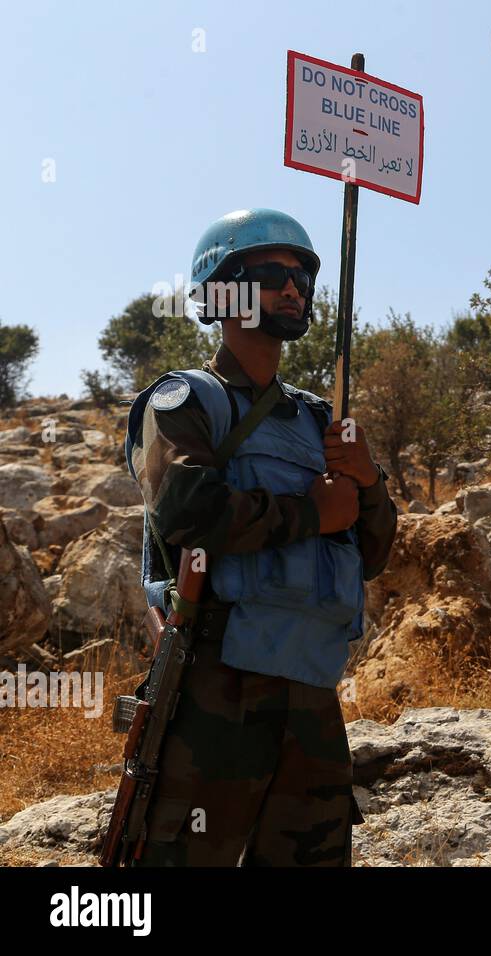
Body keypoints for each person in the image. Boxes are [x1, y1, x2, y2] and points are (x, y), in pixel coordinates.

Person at [121, 208, 397, 865]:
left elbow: (373, 554)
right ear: (222, 291)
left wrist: (369, 481)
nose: (294, 288)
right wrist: (310, 514)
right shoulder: (184, 403)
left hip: (312, 697)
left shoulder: (320, 419)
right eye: (273, 273)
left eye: (303, 276)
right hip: (216, 688)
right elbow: (186, 512)